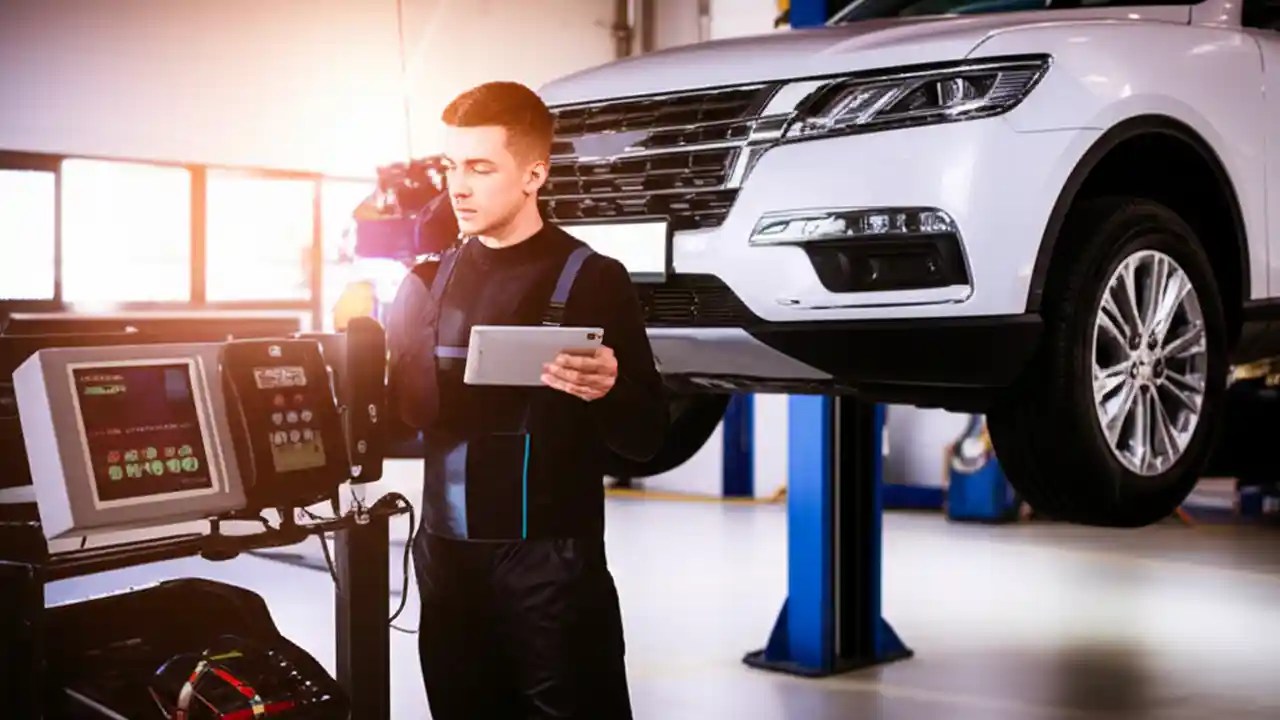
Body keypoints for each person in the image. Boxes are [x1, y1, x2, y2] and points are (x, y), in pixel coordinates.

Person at [385, 81, 669, 719]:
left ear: (534, 173)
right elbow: (398, 423)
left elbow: (647, 437)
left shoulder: (594, 280)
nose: (458, 186)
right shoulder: (424, 283)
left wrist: (611, 389)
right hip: (446, 562)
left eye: (481, 168)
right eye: (450, 167)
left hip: (553, 572)